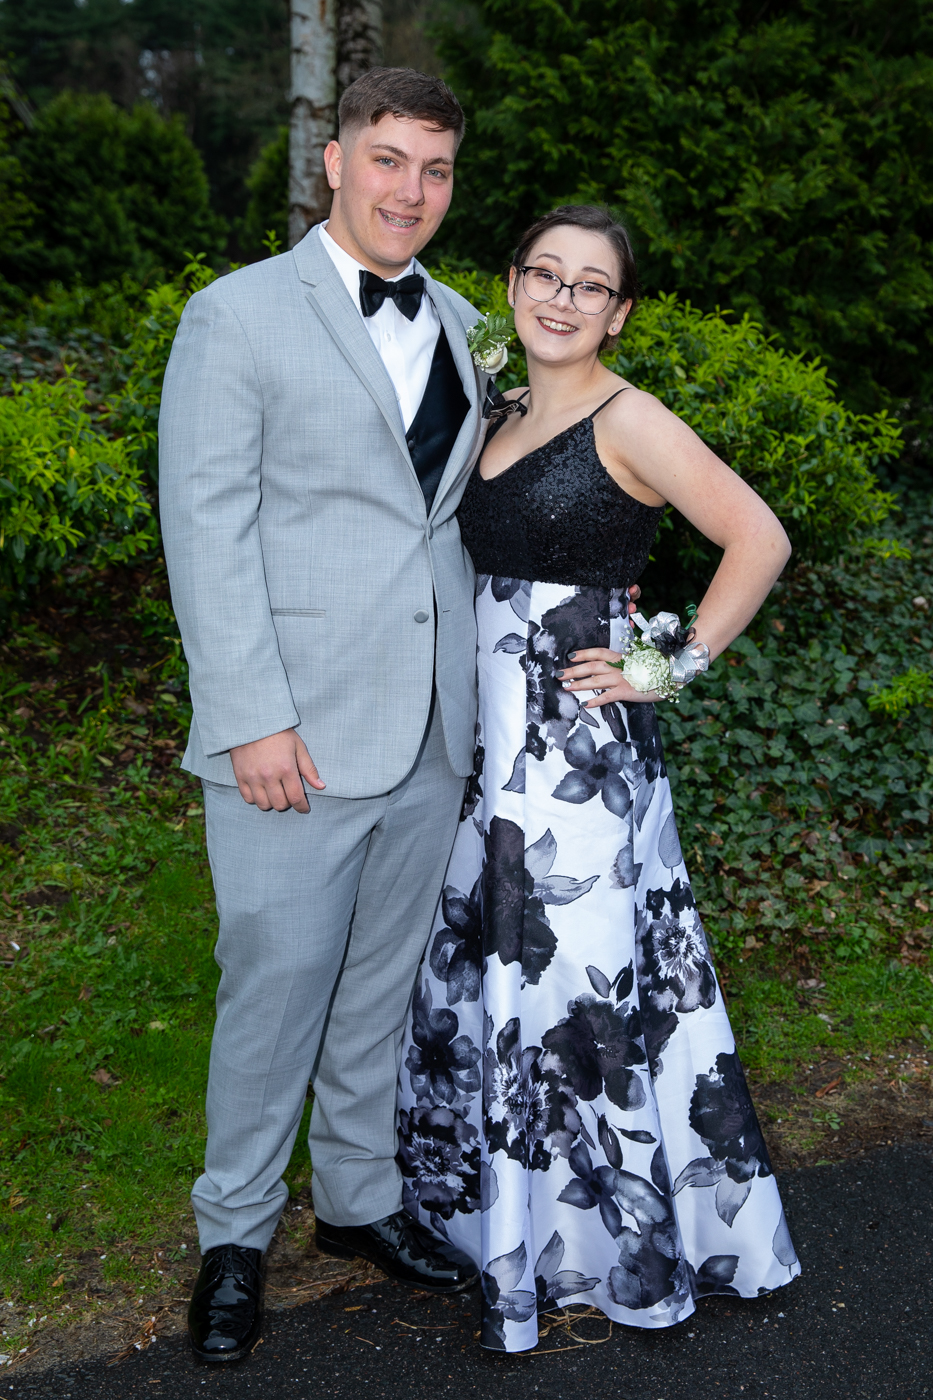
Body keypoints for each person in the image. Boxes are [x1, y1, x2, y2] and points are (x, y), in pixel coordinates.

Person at [396, 204, 801, 1352]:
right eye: (545, 274)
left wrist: (667, 665)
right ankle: (513, 1229)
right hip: (494, 747)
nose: (563, 299)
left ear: (618, 312)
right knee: (502, 979)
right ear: (514, 285)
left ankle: (603, 1245)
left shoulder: (634, 420)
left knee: (580, 990)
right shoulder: (503, 408)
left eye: (591, 286)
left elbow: (758, 536)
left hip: (578, 759)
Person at [159, 68, 491, 1364]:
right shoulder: (234, 317)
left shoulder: (467, 322)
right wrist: (249, 716)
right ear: (336, 162)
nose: (412, 190)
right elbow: (208, 525)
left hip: (429, 727)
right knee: (276, 988)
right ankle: (234, 1235)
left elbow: (465, 516)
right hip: (290, 732)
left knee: (380, 988)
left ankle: (358, 1204)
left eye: (437, 168)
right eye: (390, 160)